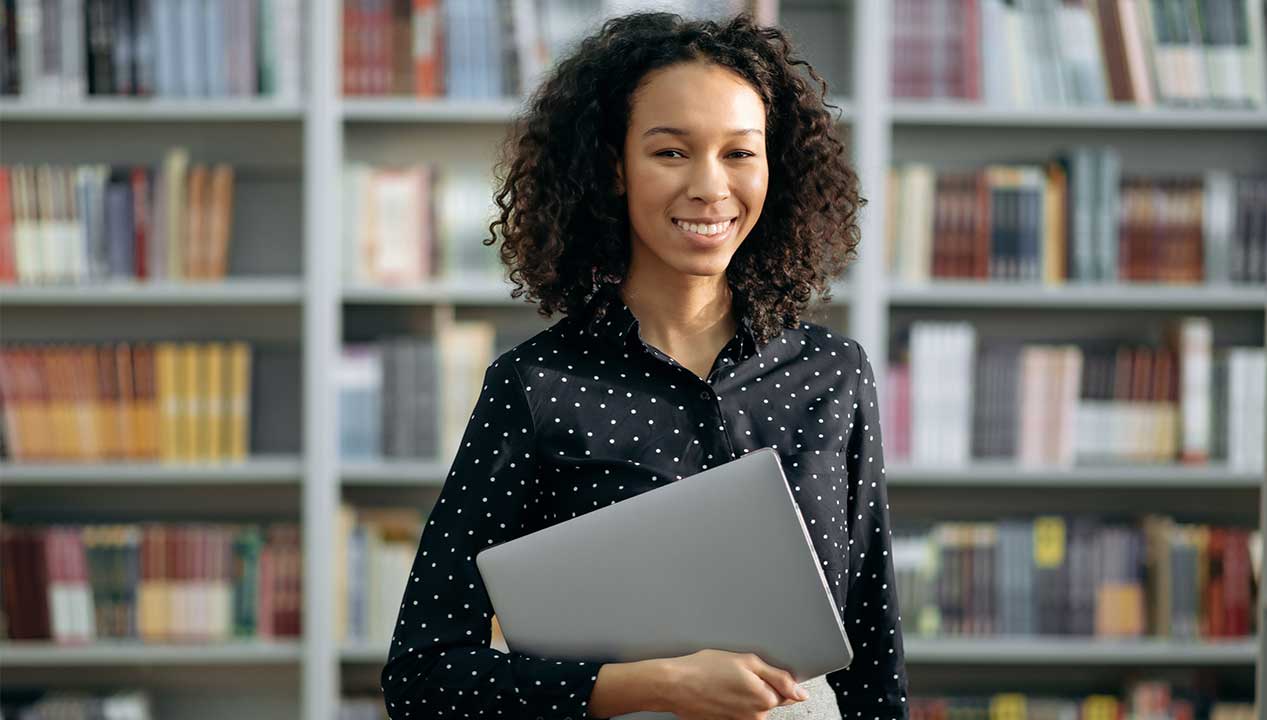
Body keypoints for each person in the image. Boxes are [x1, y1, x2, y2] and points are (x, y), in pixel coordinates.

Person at [380, 10, 909, 720]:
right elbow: (424, 677)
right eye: (670, 153)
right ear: (613, 169)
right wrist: (654, 684)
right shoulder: (537, 386)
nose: (709, 186)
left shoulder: (834, 373)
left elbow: (875, 659)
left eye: (739, 153)